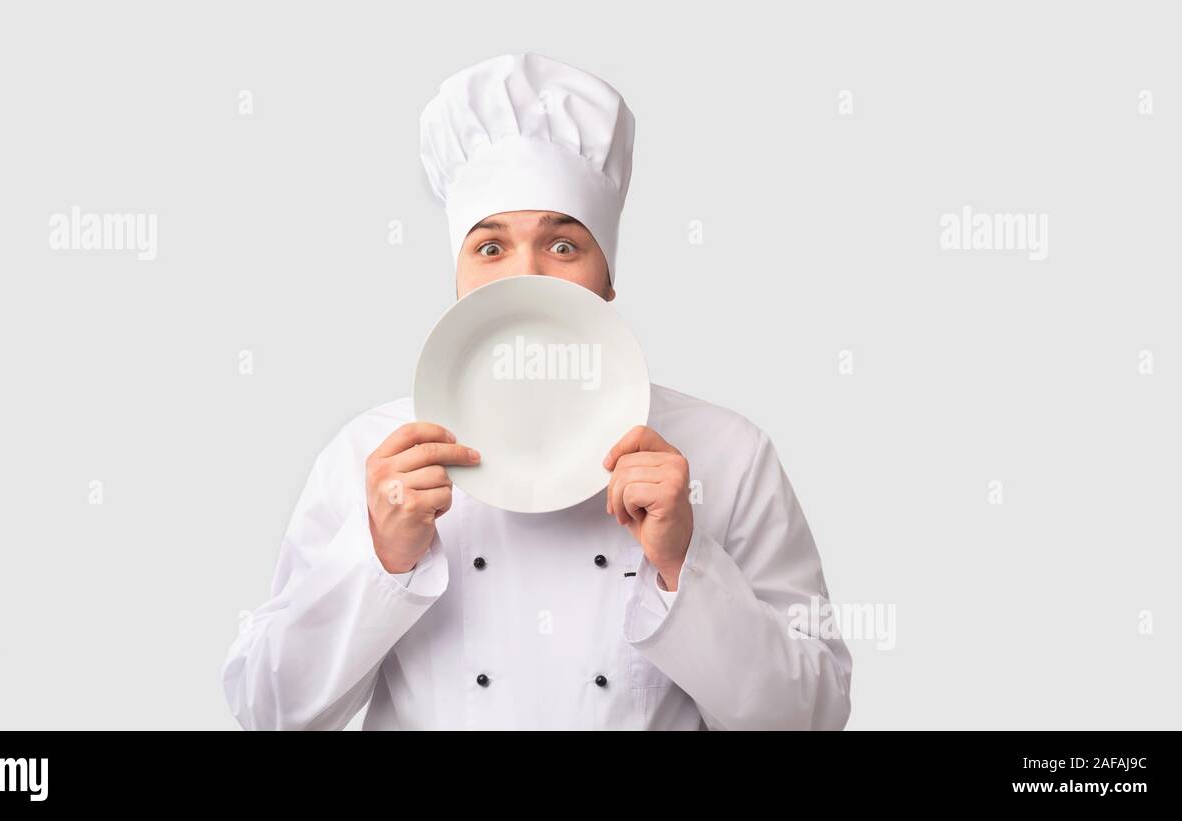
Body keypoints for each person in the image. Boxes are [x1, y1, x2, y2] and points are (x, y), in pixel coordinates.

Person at [221, 52, 853, 730]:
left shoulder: (727, 453)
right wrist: (376, 557)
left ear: (608, 280)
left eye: (562, 245)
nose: (527, 276)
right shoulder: (373, 458)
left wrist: (686, 565)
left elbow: (810, 717)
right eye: (491, 248)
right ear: (458, 283)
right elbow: (269, 709)